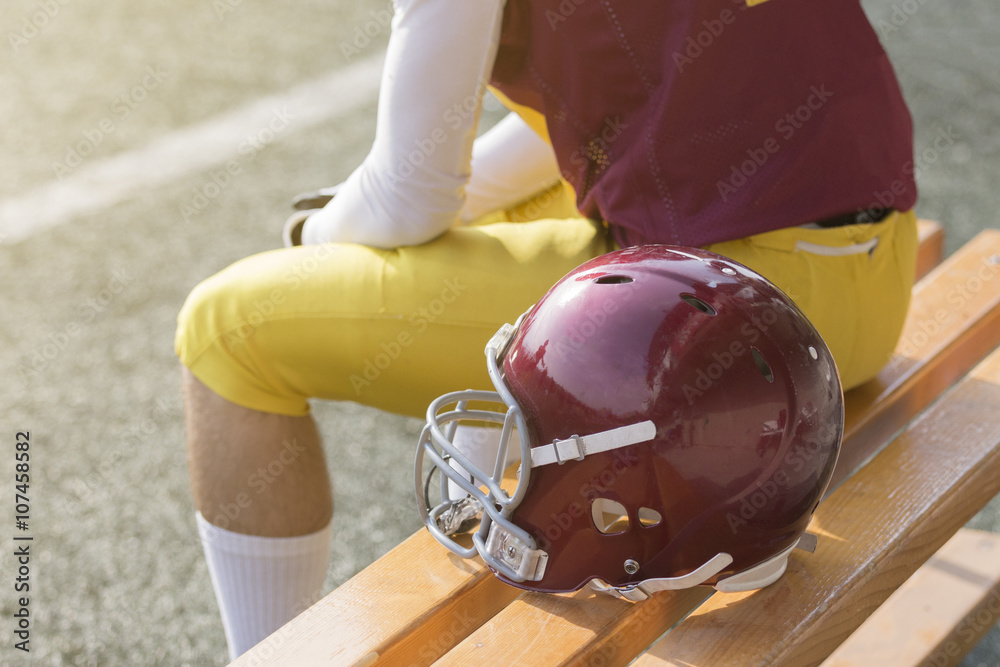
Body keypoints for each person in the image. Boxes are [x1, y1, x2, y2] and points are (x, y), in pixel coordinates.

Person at [175, 0, 918, 658]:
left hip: (727, 321)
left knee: (225, 331)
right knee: (470, 230)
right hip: (867, 286)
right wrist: (461, 219)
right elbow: (618, 106)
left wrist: (313, 235)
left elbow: (409, 194)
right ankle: (491, 519)